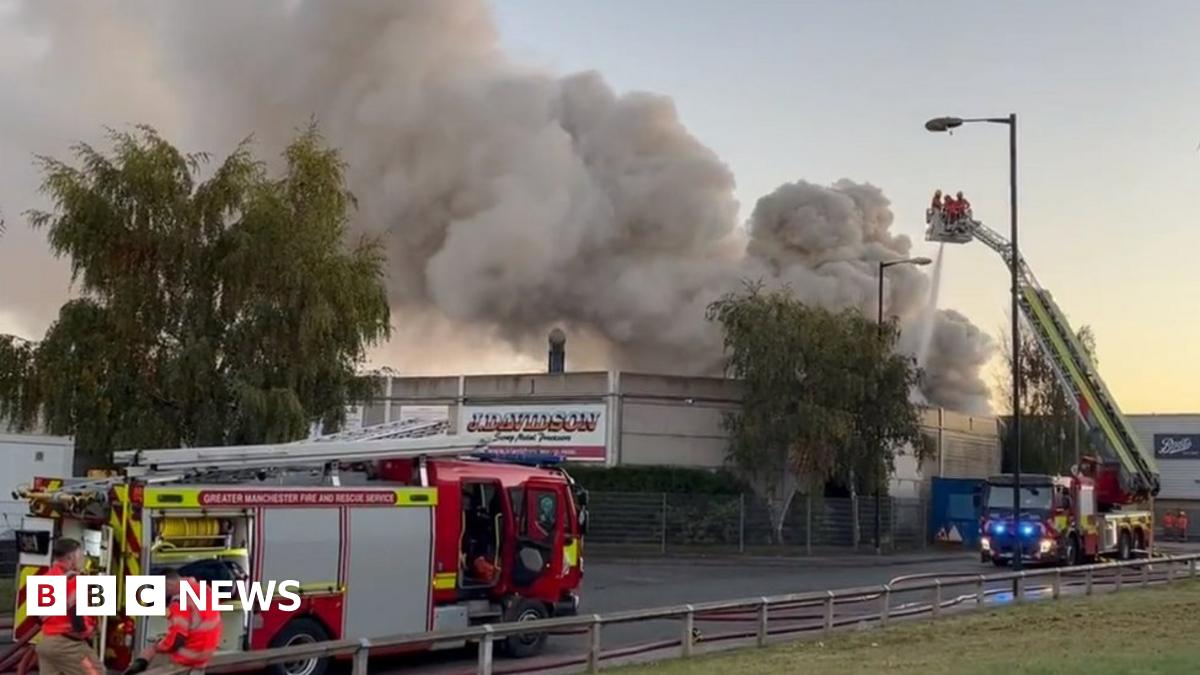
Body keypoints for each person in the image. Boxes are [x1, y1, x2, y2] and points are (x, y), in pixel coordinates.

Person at [124, 570, 222, 673]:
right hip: (206, 653)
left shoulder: (180, 601)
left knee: (149, 653)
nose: (165, 594)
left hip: (189, 655)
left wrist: (159, 645)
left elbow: (177, 639)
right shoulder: (203, 589)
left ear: (168, 584)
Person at [36, 538, 101, 675]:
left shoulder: (47, 577)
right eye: (81, 555)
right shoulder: (74, 580)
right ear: (70, 557)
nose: (83, 558)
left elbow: (40, 616)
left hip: (46, 642)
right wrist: (87, 632)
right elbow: (75, 614)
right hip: (68, 644)